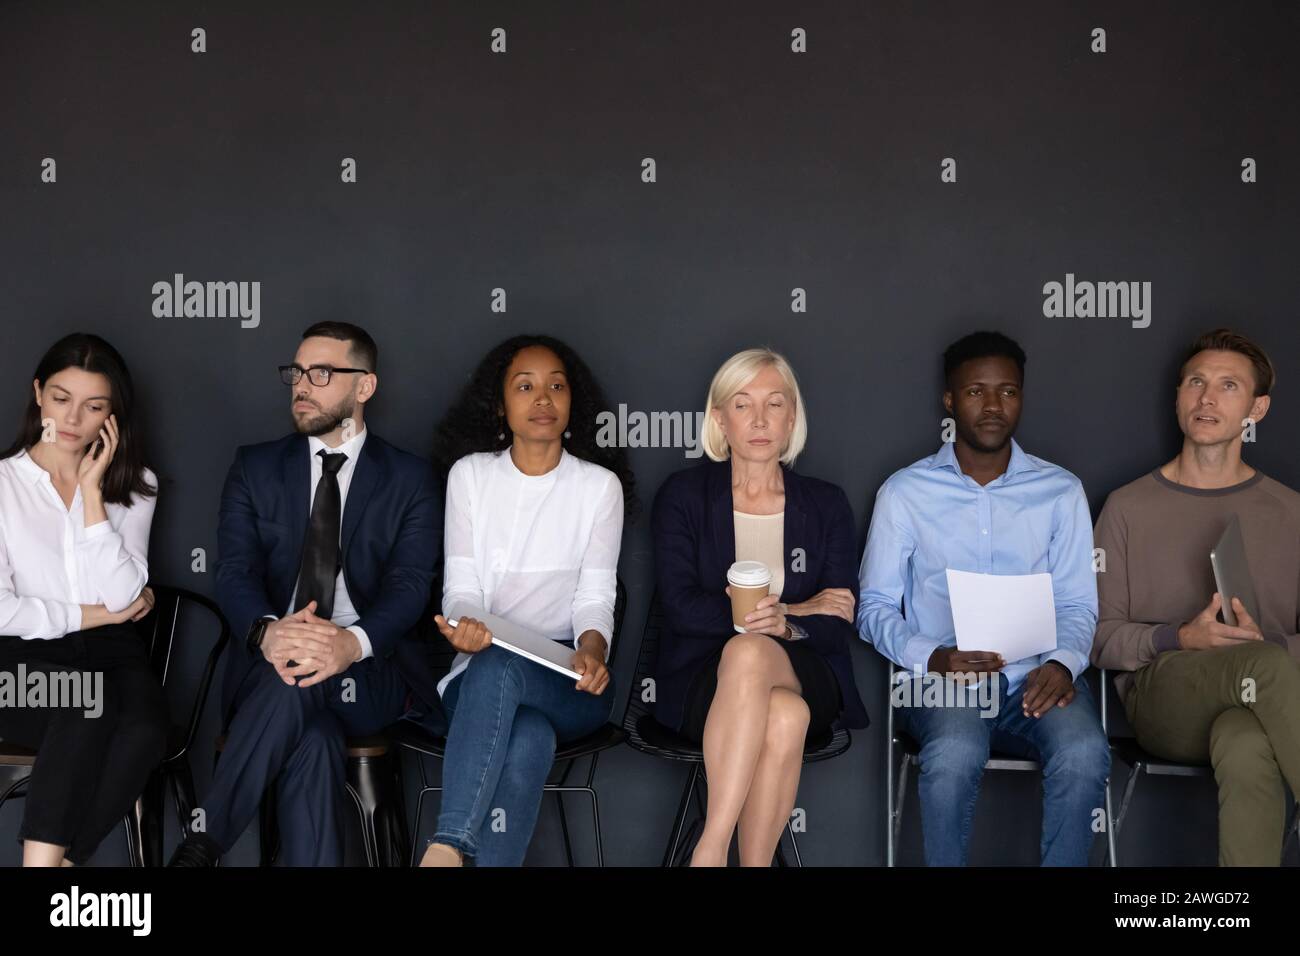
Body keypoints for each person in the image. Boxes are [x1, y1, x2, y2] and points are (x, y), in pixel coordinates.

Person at [168, 321, 441, 866]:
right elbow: (235, 572)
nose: (301, 384)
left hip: (369, 674)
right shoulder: (255, 467)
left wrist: (351, 643)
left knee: (298, 681)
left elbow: (411, 588)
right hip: (270, 665)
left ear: (364, 387)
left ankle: (204, 845)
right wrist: (267, 633)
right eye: (296, 372)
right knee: (311, 737)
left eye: (321, 373)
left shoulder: (411, 477)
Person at [858, 331, 1109, 866]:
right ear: (949, 400)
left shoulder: (1060, 491)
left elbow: (1078, 604)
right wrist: (934, 657)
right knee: (953, 752)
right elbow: (874, 606)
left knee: (1086, 753)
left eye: (1008, 392)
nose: (993, 406)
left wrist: (1064, 663)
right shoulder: (905, 492)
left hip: (1037, 678)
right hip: (941, 682)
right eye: (976, 392)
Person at [419, 334, 635, 867]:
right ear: (500, 404)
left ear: (570, 404)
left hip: (568, 680)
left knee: (502, 671)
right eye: (525, 386)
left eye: (556, 387)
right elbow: (462, 587)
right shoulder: (469, 476)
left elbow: (595, 594)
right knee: (528, 734)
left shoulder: (598, 487)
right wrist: (466, 628)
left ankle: (446, 846)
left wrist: (592, 649)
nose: (543, 399)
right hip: (479, 678)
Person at [1091, 328, 1300, 866]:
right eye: (1196, 382)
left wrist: (1263, 642)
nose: (1207, 398)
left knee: (1247, 744)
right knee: (1266, 667)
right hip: (1165, 698)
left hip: (1259, 701)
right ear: (1179, 396)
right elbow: (1097, 637)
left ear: (1258, 408)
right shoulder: (1127, 507)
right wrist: (1180, 637)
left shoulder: (1290, 513)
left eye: (1229, 386)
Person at [652, 347, 868, 867]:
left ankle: (709, 849)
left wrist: (787, 624)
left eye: (775, 404)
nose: (760, 420)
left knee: (753, 655)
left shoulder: (826, 504)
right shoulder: (684, 496)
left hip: (805, 669)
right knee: (784, 715)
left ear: (792, 417)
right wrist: (797, 606)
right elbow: (680, 607)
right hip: (704, 683)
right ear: (720, 419)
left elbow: (838, 626)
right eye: (743, 405)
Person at [0, 333, 166, 867]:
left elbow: (122, 592)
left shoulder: (136, 484)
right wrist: (100, 613)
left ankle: (65, 867)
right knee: (82, 705)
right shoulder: (3, 485)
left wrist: (94, 492)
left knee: (144, 729)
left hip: (114, 652)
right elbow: (3, 611)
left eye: (94, 406)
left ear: (112, 416)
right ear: (37, 395)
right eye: (60, 398)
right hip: (18, 658)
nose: (73, 418)